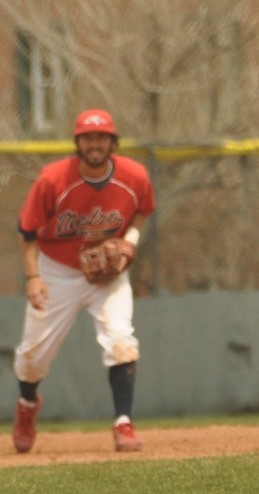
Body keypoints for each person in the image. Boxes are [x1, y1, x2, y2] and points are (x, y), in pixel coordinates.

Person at [12, 109, 155, 453]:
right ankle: (28, 406)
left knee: (121, 338)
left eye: (102, 137)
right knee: (34, 356)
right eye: (88, 137)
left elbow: (142, 213)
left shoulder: (134, 176)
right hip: (56, 271)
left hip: (109, 274)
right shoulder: (52, 179)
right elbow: (27, 233)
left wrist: (129, 244)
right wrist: (33, 277)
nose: (95, 144)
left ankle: (123, 422)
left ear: (112, 142)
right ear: (78, 142)